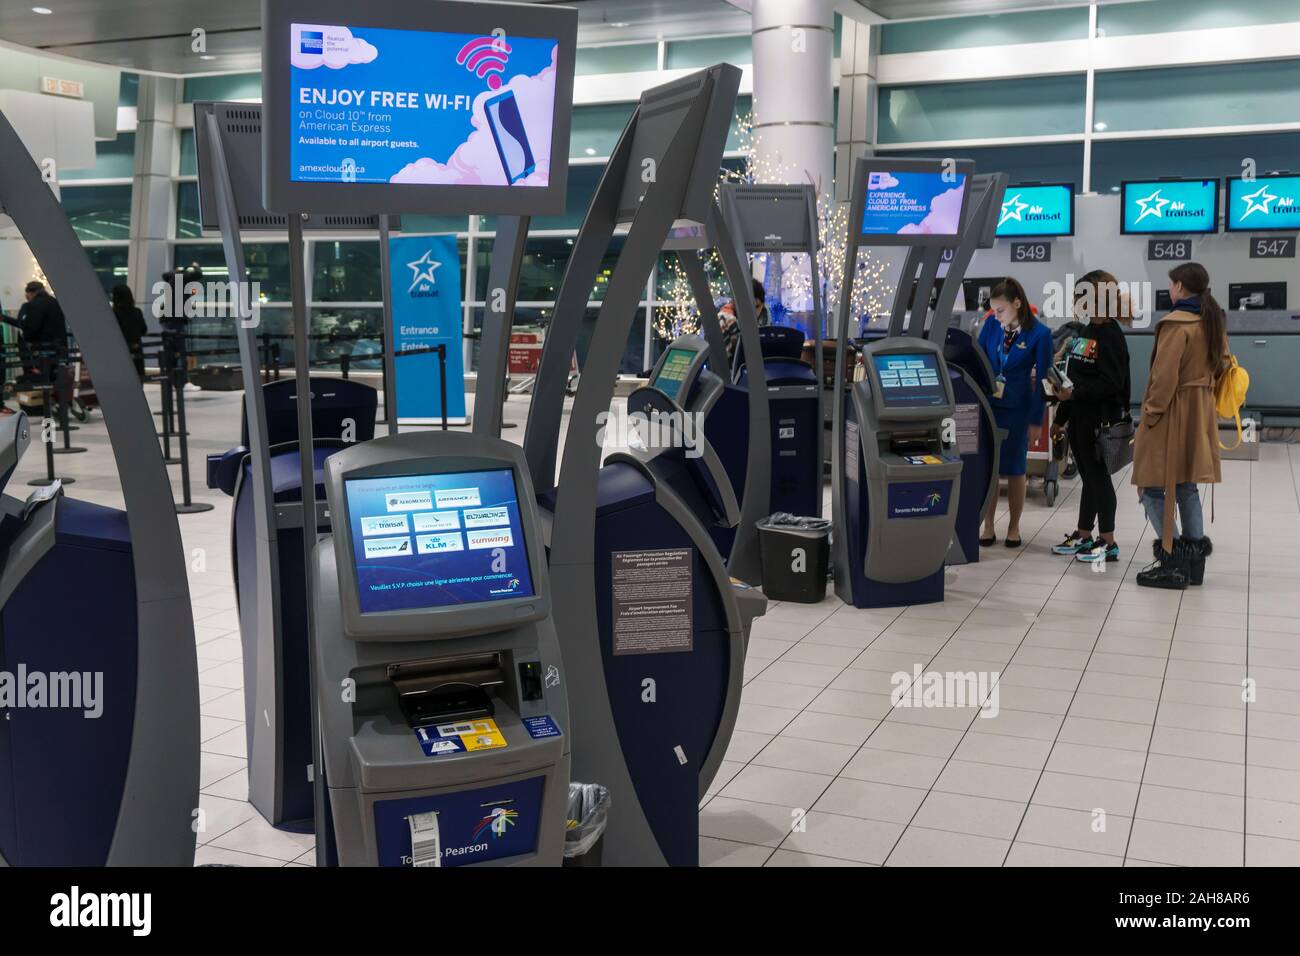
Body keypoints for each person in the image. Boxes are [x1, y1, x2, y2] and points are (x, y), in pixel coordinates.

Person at [1131, 262, 1228, 589]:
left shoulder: (1176, 325)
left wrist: (1151, 412)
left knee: (1149, 484)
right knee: (1186, 485)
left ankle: (1172, 561)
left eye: (1172, 285)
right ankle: (1194, 562)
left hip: (1172, 412)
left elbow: (1164, 378)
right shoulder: (1212, 320)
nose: (1170, 290)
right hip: (1200, 411)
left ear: (1181, 288)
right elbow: (1224, 364)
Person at [1051, 270, 1131, 563]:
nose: (1076, 300)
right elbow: (1075, 377)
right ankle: (1084, 535)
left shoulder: (1111, 336)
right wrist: (1061, 417)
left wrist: (1075, 394)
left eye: (1081, 295)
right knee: (1089, 479)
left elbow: (1112, 383)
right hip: (1080, 419)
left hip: (1100, 421)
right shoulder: (1086, 332)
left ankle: (1107, 541)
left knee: (1100, 479)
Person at [976, 278, 1053, 548]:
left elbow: (1044, 381)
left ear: (1017, 304)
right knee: (989, 469)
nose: (996, 316)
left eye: (1001, 310)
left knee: (1016, 469)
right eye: (994, 311)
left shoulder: (1040, 335)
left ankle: (1014, 526)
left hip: (1018, 410)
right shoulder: (990, 327)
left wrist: (1036, 419)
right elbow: (977, 359)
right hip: (988, 408)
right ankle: (987, 525)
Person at [719, 278, 769, 366]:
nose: (754, 312)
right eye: (749, 306)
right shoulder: (728, 321)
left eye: (757, 306)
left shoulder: (764, 317)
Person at [111, 284, 148, 378]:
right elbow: (143, 330)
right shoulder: (137, 312)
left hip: (121, 351)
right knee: (139, 379)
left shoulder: (113, 314)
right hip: (137, 350)